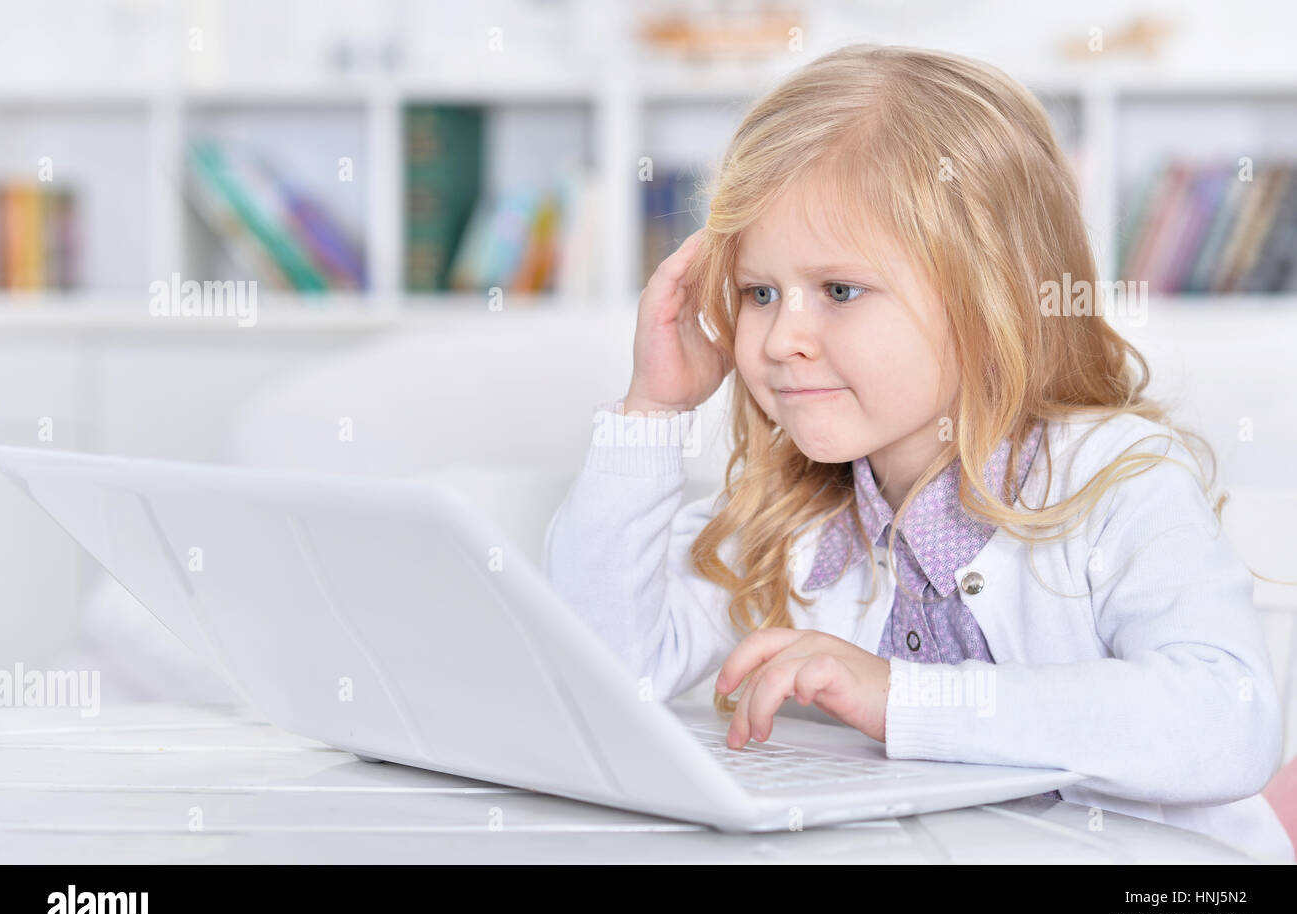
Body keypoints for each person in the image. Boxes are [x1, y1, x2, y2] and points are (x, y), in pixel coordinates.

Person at [542, 43, 1293, 862]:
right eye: (761, 292)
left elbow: (1227, 717)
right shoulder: (787, 525)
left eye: (838, 290)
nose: (783, 336)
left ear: (991, 296)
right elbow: (600, 680)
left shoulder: (1117, 481)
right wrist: (651, 411)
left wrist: (902, 698)